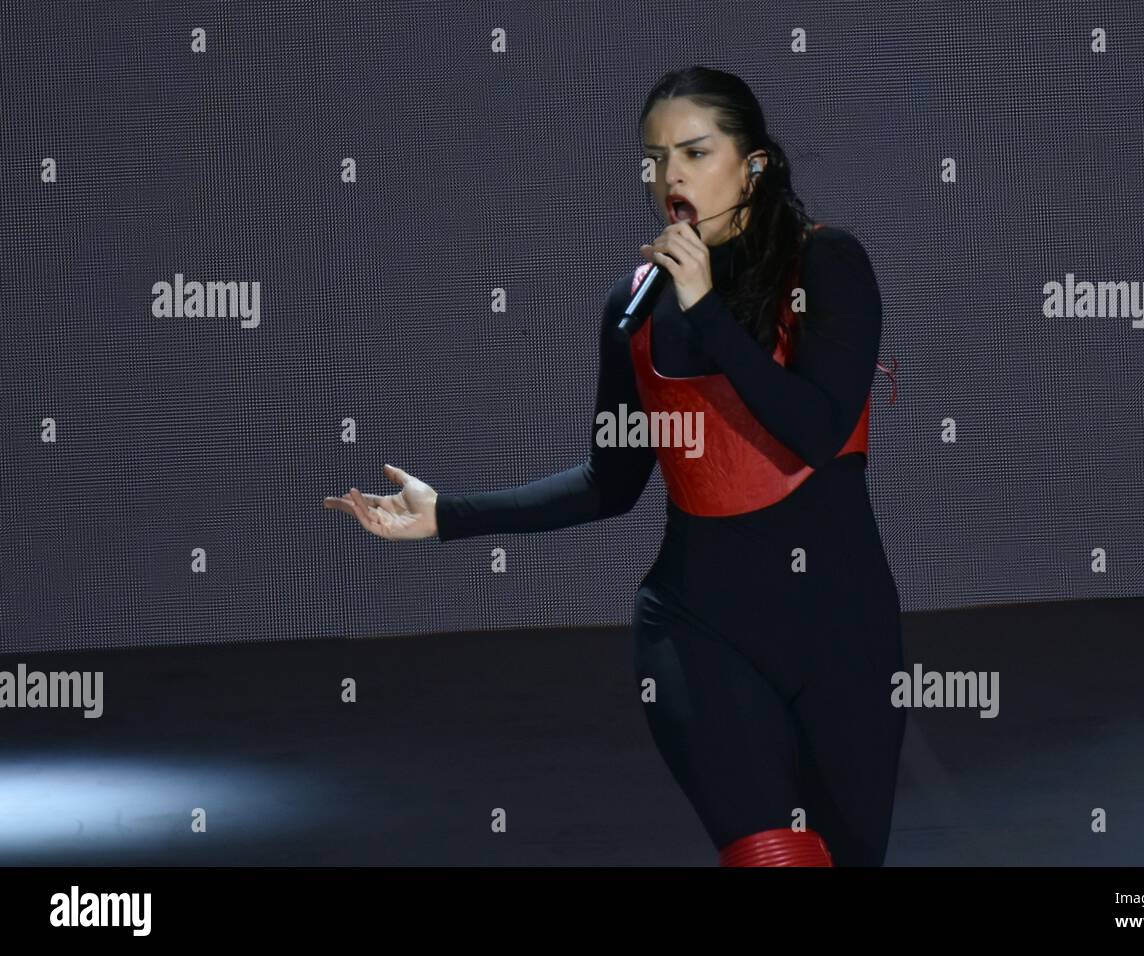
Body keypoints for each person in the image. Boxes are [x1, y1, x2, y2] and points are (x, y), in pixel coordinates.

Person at [324, 66, 903, 867]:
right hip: (698, 629)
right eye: (656, 158)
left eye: (695, 153)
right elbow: (612, 482)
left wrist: (707, 310)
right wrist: (448, 514)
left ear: (755, 163)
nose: (671, 177)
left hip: (843, 629)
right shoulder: (634, 305)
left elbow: (814, 429)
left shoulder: (828, 266)